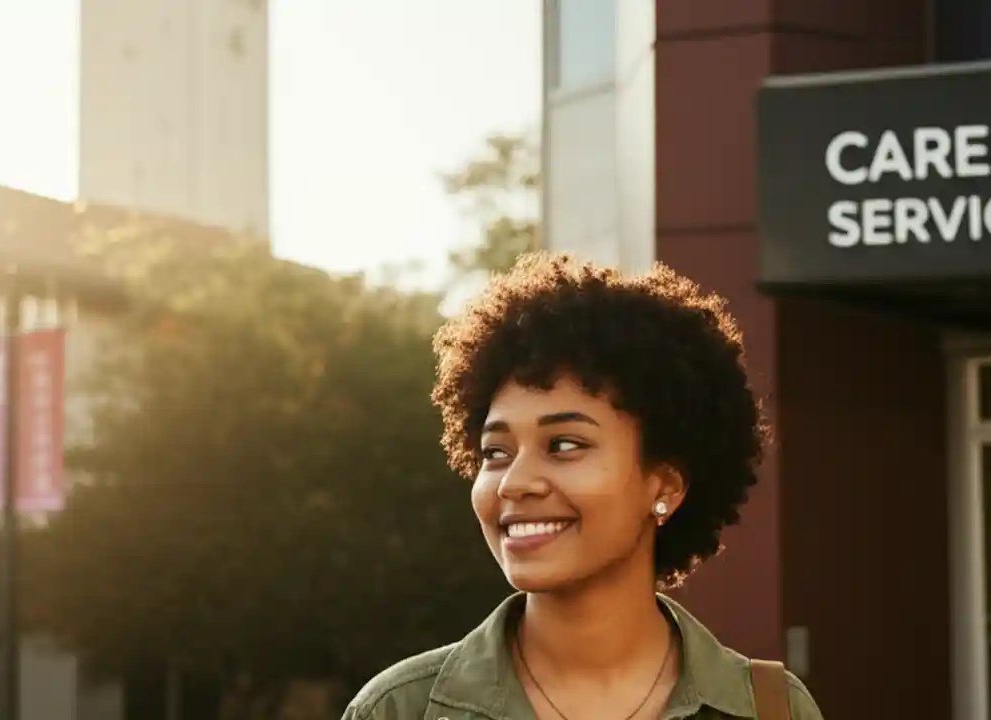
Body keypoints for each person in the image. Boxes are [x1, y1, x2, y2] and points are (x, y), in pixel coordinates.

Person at [342, 253, 823, 720]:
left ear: (666, 487)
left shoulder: (769, 709)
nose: (515, 482)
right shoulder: (397, 710)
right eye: (496, 453)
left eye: (565, 445)